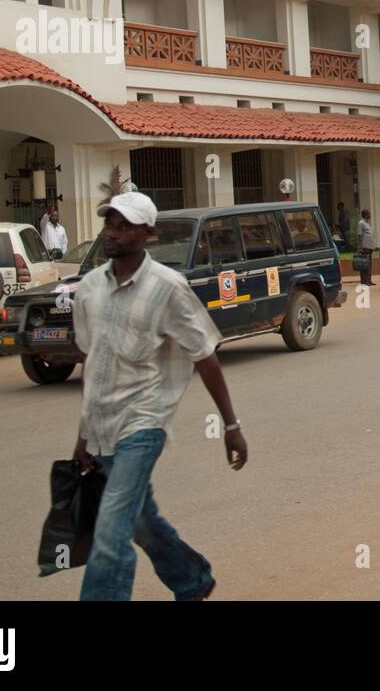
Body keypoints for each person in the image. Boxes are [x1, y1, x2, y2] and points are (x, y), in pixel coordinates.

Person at [71, 191, 246, 601]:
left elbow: (204, 354)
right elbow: (92, 366)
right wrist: (82, 437)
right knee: (139, 522)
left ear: (148, 233)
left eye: (124, 225)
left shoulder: (168, 287)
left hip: (144, 423)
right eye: (110, 223)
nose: (112, 233)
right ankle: (192, 580)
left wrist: (231, 425)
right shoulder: (90, 289)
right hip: (102, 427)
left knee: (111, 531)